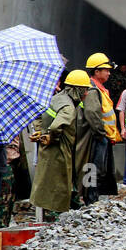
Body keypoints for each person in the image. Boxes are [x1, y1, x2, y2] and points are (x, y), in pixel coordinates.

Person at [30, 72, 80, 218]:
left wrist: (40, 131)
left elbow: (39, 115)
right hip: (59, 148)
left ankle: (47, 213)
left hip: (48, 148)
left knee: (46, 181)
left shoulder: (55, 98)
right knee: (58, 182)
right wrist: (51, 135)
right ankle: (55, 215)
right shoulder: (68, 105)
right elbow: (59, 123)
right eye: (85, 89)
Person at [80, 52, 122, 201]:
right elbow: (92, 113)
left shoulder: (100, 89)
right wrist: (100, 133)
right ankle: (90, 199)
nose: (109, 73)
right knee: (92, 168)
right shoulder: (92, 90)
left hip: (103, 136)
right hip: (97, 137)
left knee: (99, 169)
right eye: (106, 70)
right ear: (96, 71)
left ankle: (94, 198)